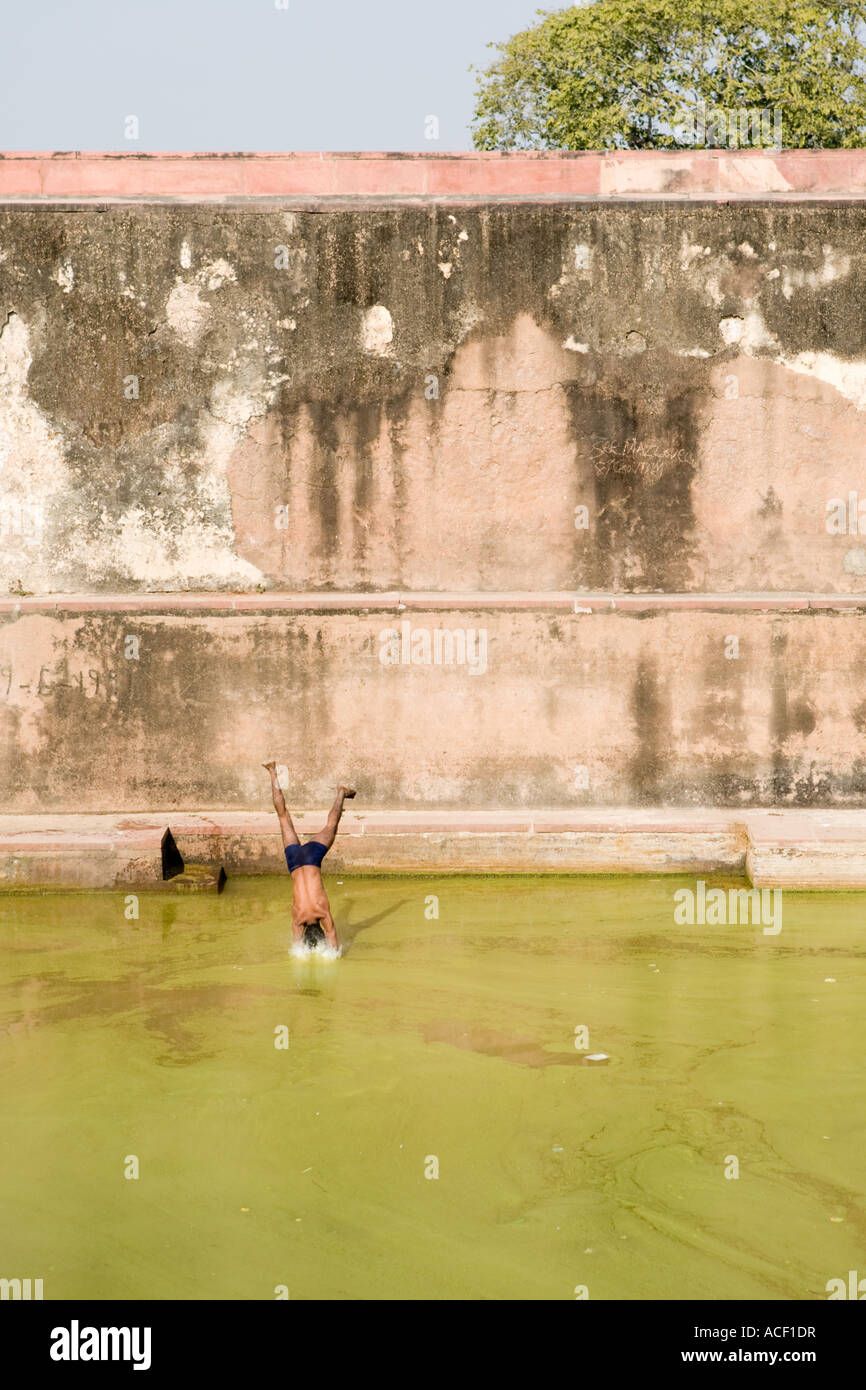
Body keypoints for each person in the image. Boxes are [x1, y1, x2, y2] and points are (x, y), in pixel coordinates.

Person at [263, 763, 355, 952]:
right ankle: (272, 773)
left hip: (312, 858)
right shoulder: (297, 919)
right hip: (295, 861)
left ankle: (341, 793)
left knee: (330, 826)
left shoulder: (323, 913)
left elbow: (332, 944)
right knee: (283, 817)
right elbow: (297, 946)